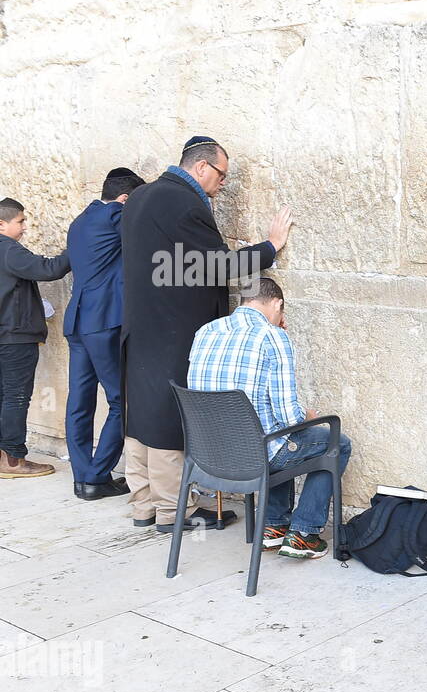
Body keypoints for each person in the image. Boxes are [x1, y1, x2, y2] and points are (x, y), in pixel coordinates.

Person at [120, 136, 292, 533]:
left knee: (141, 415)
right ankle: (172, 513)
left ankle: (143, 505)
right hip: (174, 328)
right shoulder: (183, 202)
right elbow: (218, 267)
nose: (221, 184)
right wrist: (270, 246)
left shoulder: (143, 196)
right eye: (221, 175)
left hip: (142, 324)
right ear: (201, 167)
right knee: (166, 418)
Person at [188, 277, 351, 559]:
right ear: (277, 303)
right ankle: (304, 533)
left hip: (208, 456)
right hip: (254, 456)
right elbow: (288, 416)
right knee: (334, 441)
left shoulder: (206, 330)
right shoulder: (272, 337)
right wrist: (308, 417)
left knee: (278, 436)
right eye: (282, 311)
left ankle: (274, 527)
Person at [63, 168, 146, 500]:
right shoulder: (115, 215)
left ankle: (83, 476)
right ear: (124, 199)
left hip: (77, 321)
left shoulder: (79, 221)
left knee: (79, 401)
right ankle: (97, 476)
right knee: (120, 400)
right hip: (102, 321)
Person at [0, 197, 71, 479]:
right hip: (14, 337)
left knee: (5, 396)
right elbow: (48, 269)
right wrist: (76, 249)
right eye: (20, 221)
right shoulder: (8, 249)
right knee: (16, 397)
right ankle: (14, 460)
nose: (25, 227)